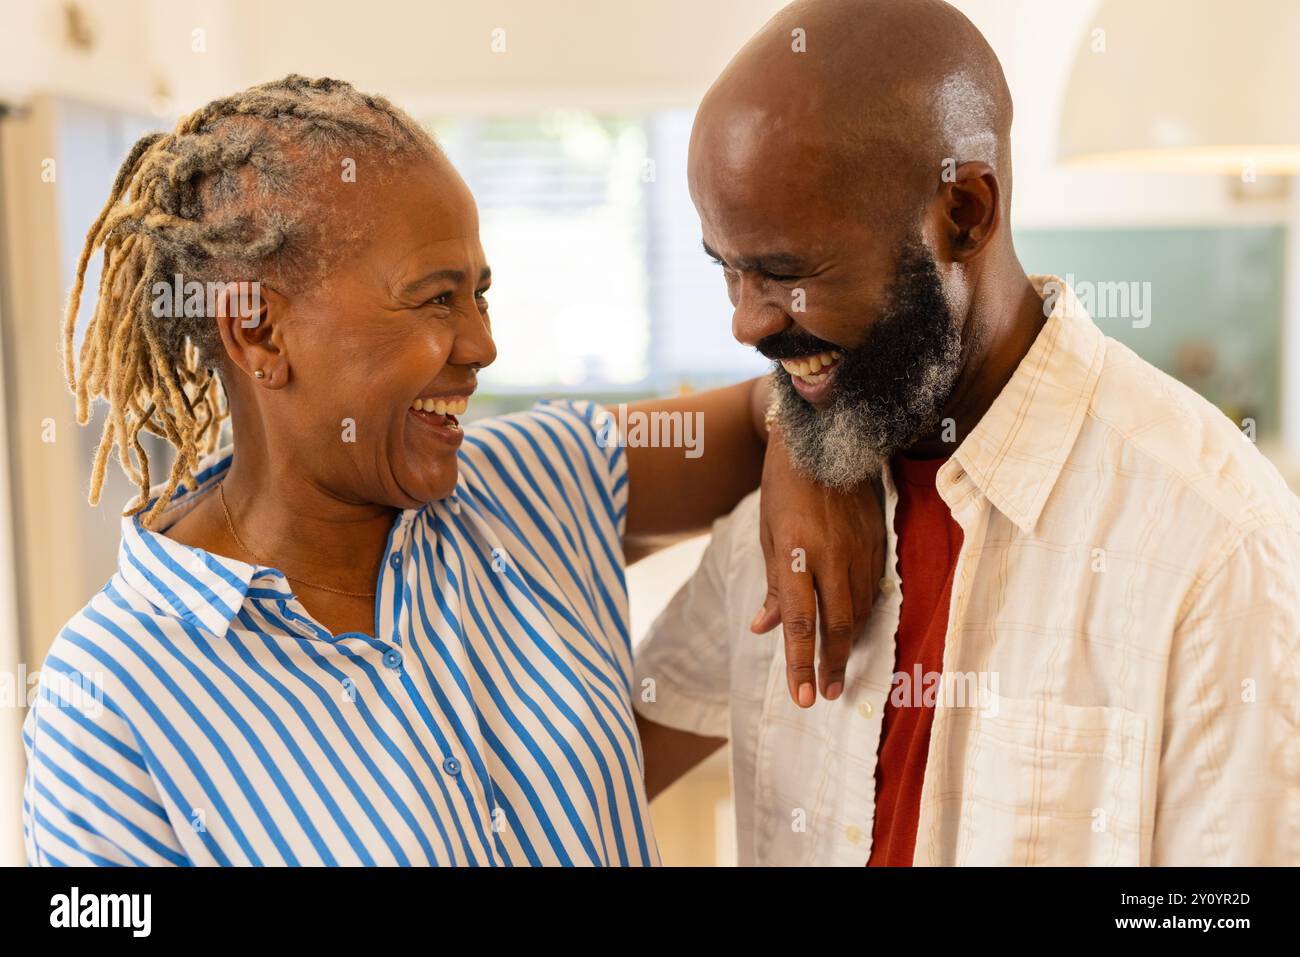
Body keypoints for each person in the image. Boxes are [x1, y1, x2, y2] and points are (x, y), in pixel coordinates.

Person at [21, 75, 882, 866]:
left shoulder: (531, 476)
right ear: (257, 332)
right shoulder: (108, 701)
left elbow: (767, 404)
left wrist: (813, 461)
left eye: (480, 294)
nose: (481, 345)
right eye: (435, 299)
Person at [633, 0, 1300, 865]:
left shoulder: (1213, 543)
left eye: (786, 273)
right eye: (727, 269)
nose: (747, 324)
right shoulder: (791, 500)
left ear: (964, 213)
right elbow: (586, 784)